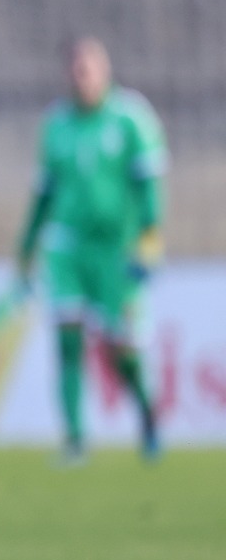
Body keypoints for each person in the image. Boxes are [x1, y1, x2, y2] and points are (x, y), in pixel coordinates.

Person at [16, 36, 166, 464]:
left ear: (105, 70)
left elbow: (149, 185)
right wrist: (26, 245)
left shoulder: (131, 118)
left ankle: (147, 413)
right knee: (67, 340)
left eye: (89, 68)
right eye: (76, 68)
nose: (82, 76)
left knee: (122, 351)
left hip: (117, 249)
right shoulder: (56, 124)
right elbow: (44, 192)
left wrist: (150, 238)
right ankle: (75, 440)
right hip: (67, 246)